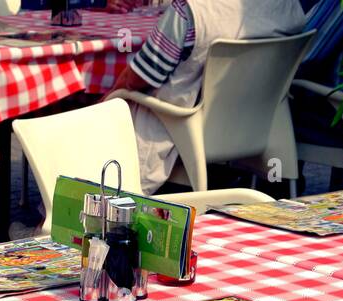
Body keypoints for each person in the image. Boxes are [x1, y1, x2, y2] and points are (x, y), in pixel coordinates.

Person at [106, 0, 308, 193]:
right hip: (255, 131)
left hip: (181, 135)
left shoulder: (189, 11)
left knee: (99, 108)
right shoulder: (289, 6)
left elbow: (140, 78)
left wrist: (108, 99)